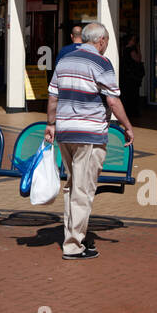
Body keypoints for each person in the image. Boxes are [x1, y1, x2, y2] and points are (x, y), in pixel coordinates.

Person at [43, 22, 134, 260]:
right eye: (107, 42)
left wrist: (51, 124)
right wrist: (127, 126)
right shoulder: (101, 63)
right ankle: (73, 244)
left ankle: (74, 236)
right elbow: (113, 101)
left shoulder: (64, 61)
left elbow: (53, 96)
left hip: (65, 131)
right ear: (101, 40)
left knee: (72, 186)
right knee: (83, 189)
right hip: (89, 134)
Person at [120, 34, 146, 117]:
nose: (134, 42)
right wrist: (139, 49)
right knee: (133, 94)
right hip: (132, 76)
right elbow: (138, 59)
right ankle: (133, 112)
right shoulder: (131, 49)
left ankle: (128, 111)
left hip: (126, 75)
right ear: (130, 41)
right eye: (133, 40)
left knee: (127, 94)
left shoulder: (123, 49)